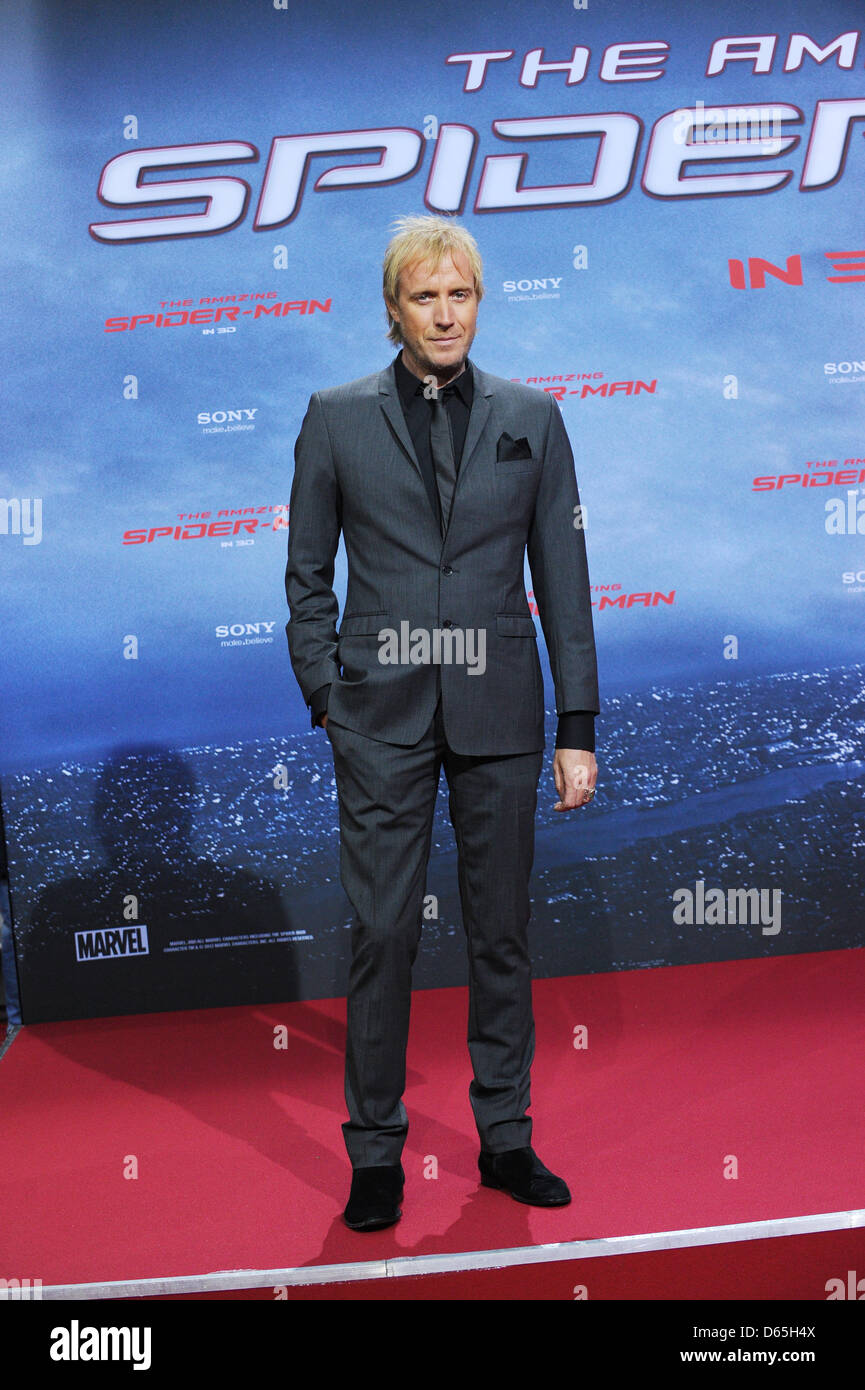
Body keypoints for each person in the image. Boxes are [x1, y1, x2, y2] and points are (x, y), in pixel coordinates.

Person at [286, 214, 599, 1231]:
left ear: (478, 302)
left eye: (459, 293)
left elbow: (564, 574)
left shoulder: (532, 416)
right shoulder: (333, 417)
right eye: (425, 296)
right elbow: (305, 580)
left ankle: (503, 1134)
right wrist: (329, 697)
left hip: (501, 709)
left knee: (500, 932)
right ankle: (374, 1151)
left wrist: (576, 722)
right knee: (382, 934)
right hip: (378, 716)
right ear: (393, 311)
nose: (444, 312)